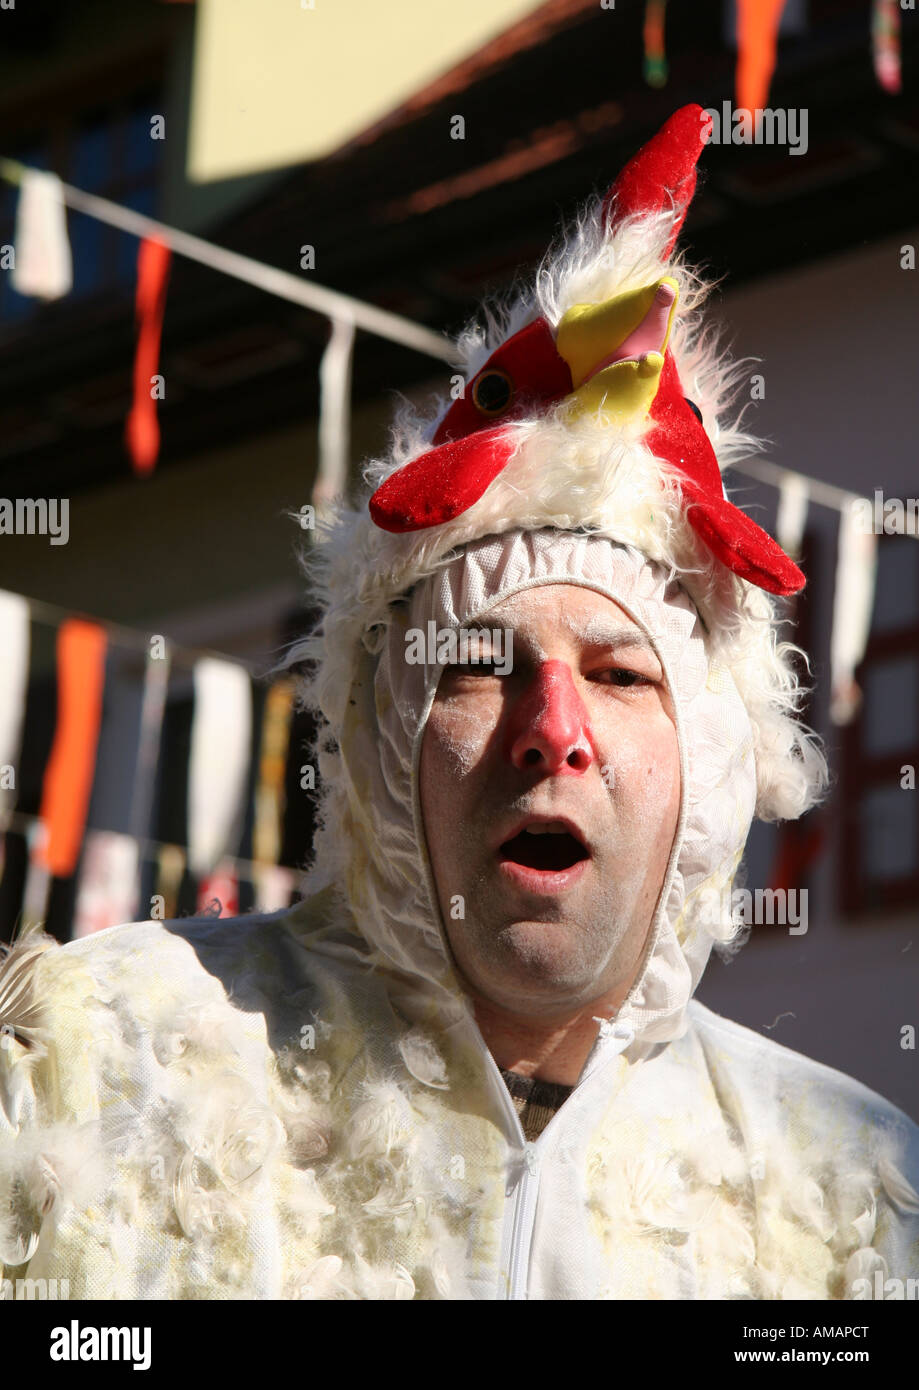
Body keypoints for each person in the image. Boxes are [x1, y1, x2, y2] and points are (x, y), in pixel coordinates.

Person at [1, 105, 917, 1302]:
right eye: (481, 663)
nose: (554, 731)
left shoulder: (847, 1199)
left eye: (621, 673)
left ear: (707, 770)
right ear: (387, 753)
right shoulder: (94, 1066)